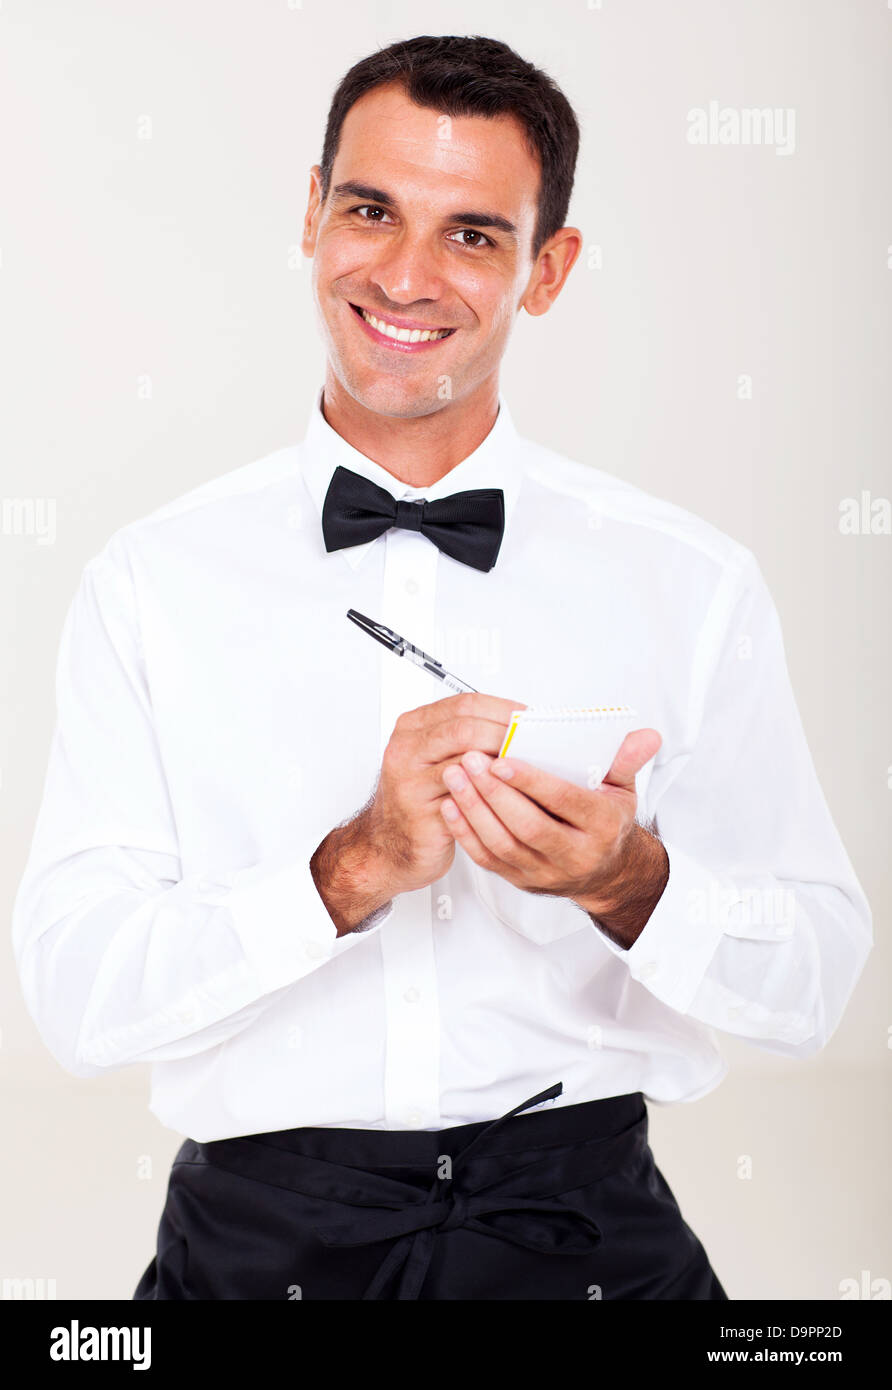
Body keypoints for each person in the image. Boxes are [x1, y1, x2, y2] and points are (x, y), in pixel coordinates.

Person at [12, 34, 871, 1302]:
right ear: (311, 214)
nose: (405, 277)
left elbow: (813, 981)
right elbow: (75, 1002)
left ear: (548, 269)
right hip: (257, 1251)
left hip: (589, 1241)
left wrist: (628, 880)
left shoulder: (692, 582)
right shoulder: (151, 583)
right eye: (370, 210)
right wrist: (345, 870)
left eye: (472, 233)